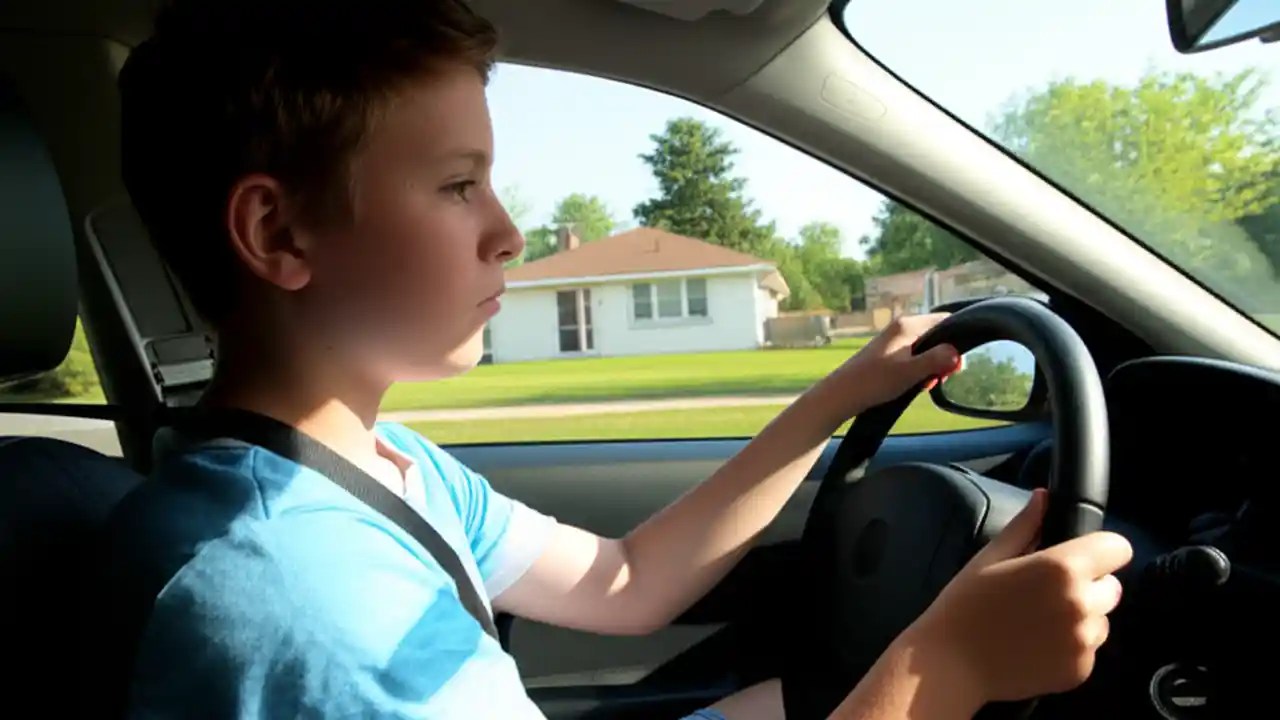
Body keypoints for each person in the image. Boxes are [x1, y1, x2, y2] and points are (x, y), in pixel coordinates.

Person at [103, 1, 1133, 718]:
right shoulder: (293, 589)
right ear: (279, 235)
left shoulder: (378, 465)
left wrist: (834, 400)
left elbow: (626, 581)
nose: (508, 234)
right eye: (459, 185)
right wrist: (943, 666)